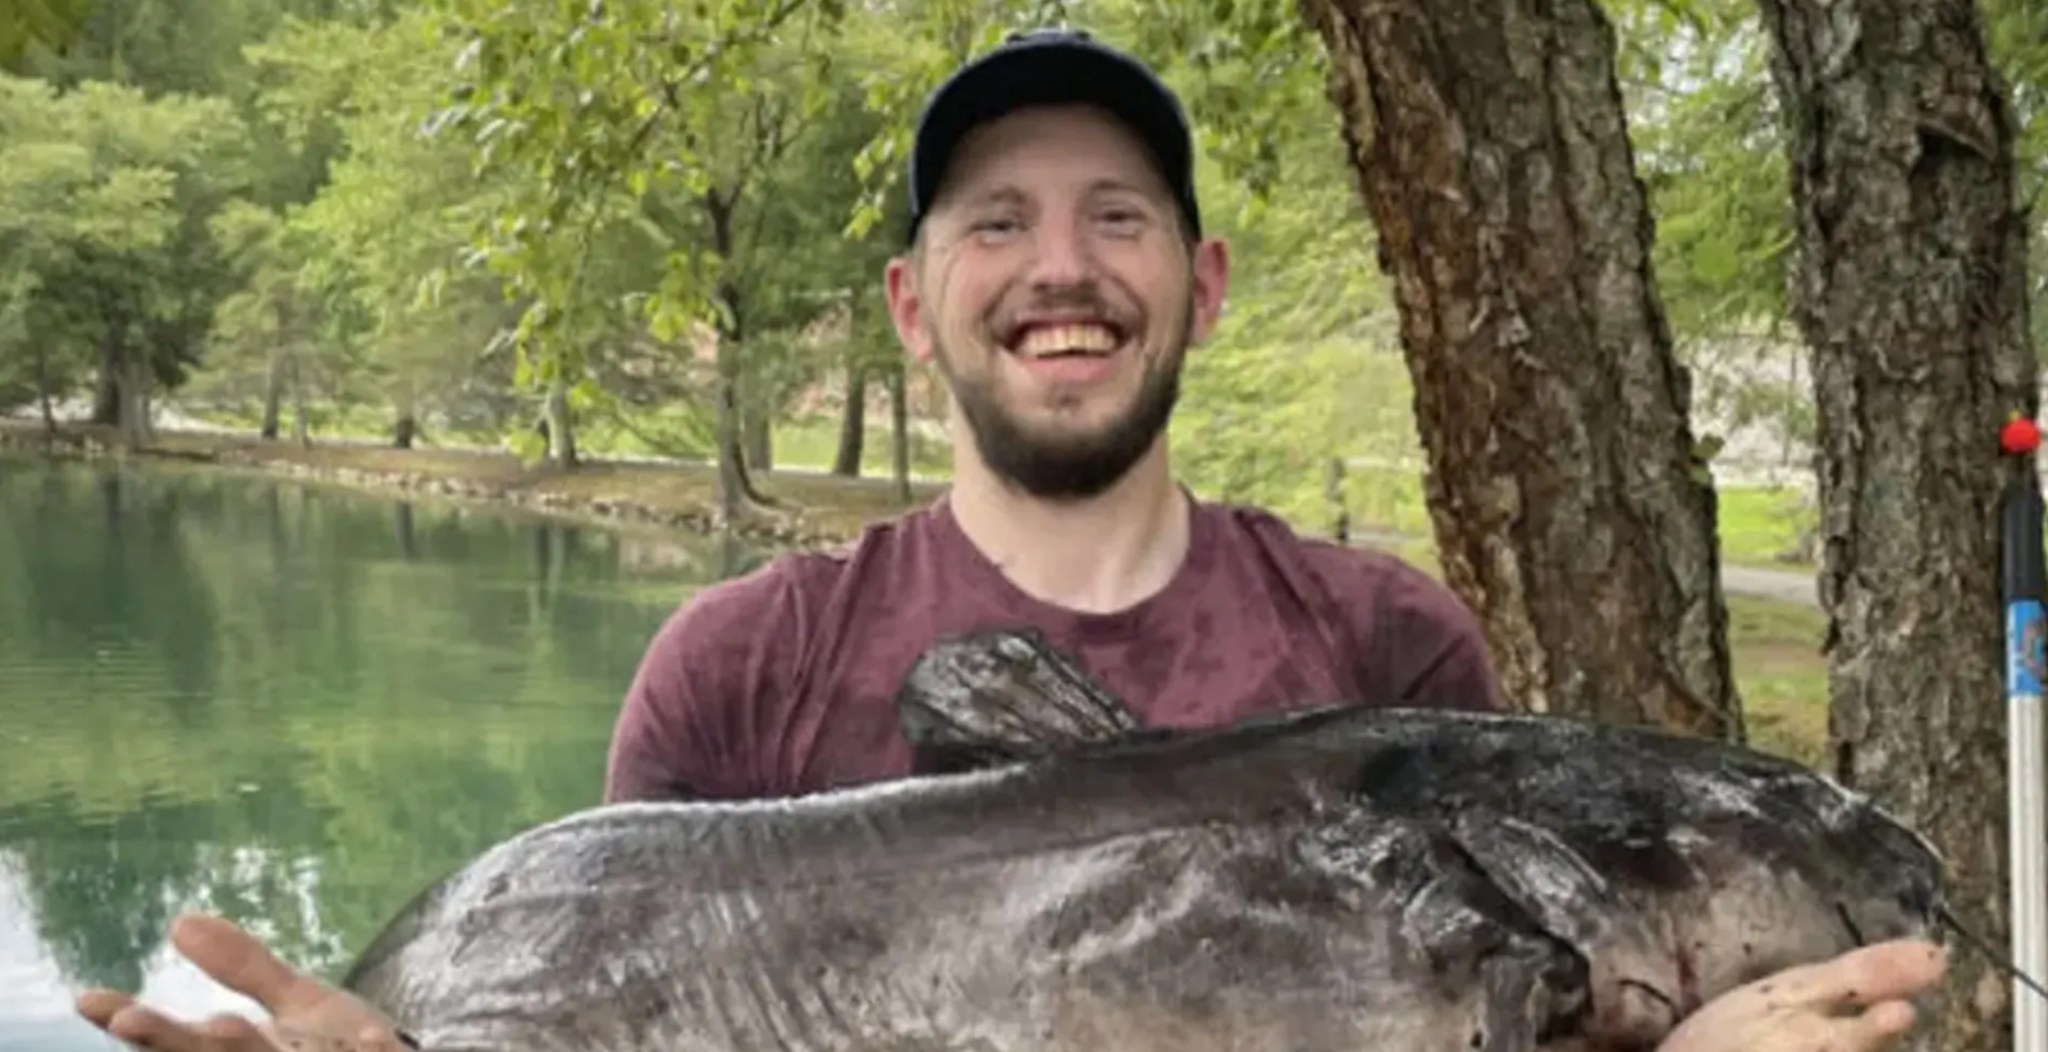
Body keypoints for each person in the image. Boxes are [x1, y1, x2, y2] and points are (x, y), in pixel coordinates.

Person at [73, 27, 1945, 1052]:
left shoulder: (1390, 647)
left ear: (1198, 283)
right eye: (999, 224)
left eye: (1118, 217)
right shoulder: (737, 670)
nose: (1063, 267)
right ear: (911, 303)